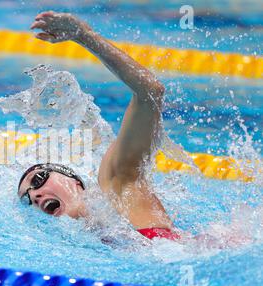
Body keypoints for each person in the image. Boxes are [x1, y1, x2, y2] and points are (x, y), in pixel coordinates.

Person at [17, 11, 180, 241]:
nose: (34, 195)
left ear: (73, 179)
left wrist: (83, 35)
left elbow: (150, 92)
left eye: (38, 179)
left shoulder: (117, 183)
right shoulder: (89, 243)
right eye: (28, 197)